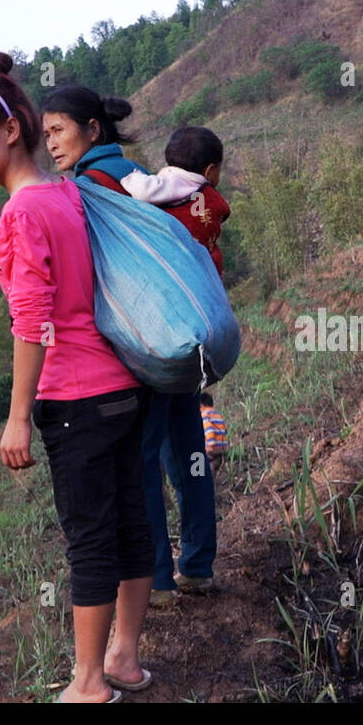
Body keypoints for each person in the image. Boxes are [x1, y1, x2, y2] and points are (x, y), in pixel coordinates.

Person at [0, 52, 154, 702]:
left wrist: (15, 416)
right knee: (133, 520)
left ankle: (88, 682)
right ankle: (124, 657)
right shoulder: (67, 191)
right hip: (122, 384)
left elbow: (31, 323)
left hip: (76, 401)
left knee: (90, 538)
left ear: (9, 129)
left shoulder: (22, 213)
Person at [118, 126, 231, 606]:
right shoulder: (209, 203)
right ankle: (198, 565)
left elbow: (134, 189)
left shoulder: (150, 188)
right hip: (195, 346)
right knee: (190, 457)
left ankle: (159, 581)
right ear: (209, 171)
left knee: (146, 463)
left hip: (154, 346)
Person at [120, 126, 230, 278]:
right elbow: (222, 211)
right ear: (210, 171)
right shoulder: (205, 194)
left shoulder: (162, 184)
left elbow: (141, 190)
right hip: (204, 270)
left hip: (168, 267)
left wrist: (133, 177)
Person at [40, 84, 148, 185]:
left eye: (58, 130)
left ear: (93, 129)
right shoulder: (134, 169)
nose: (51, 146)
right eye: (47, 135)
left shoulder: (90, 186)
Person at [200, 392, 228, 471]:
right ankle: (209, 479)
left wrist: (210, 444)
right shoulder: (217, 414)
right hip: (222, 447)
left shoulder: (205, 415)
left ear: (201, 406)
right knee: (211, 467)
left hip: (212, 448)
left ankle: (198, 479)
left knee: (196, 455)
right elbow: (225, 430)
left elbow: (209, 430)